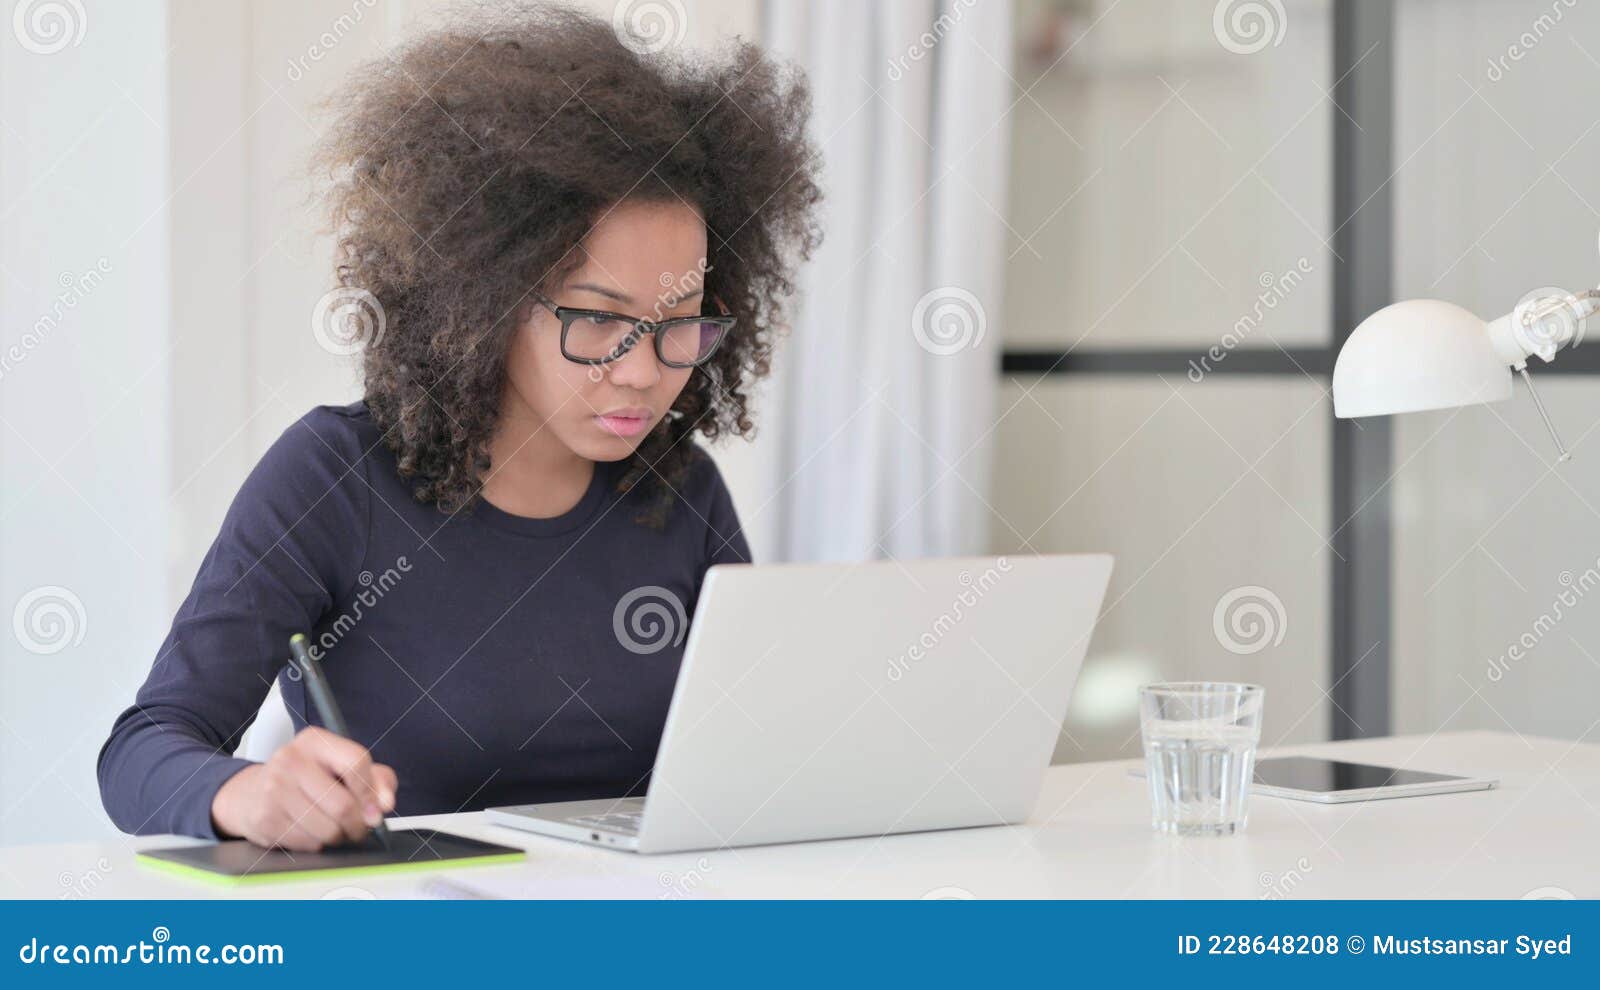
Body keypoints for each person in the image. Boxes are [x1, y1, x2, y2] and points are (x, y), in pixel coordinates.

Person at [97, 3, 821, 851]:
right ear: (486, 299)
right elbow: (142, 752)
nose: (641, 370)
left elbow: (756, 756)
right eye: (596, 319)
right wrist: (246, 794)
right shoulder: (336, 478)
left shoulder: (680, 490)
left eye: (681, 325)